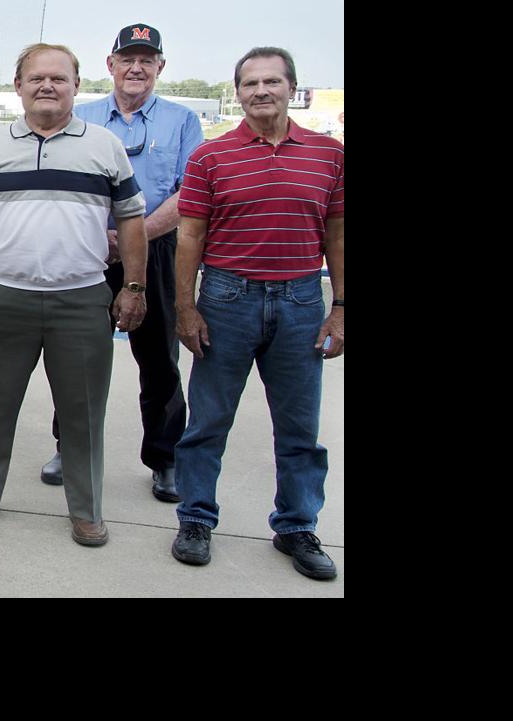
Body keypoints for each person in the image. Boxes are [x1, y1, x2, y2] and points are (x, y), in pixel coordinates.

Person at [0, 43, 147, 546]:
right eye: (36, 78)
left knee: (83, 414)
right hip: (3, 298)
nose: (47, 86)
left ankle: (86, 510)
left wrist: (133, 286)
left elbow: (130, 220)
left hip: (81, 301)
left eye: (59, 78)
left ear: (76, 86)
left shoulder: (104, 146)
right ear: (18, 86)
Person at [169, 47, 344, 580]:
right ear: (238, 92)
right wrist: (185, 307)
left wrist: (339, 306)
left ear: (292, 87)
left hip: (300, 300)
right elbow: (190, 236)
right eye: (250, 83)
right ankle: (196, 519)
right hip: (228, 300)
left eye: (272, 81)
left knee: (299, 428)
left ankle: (297, 526)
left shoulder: (330, 155)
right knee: (208, 421)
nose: (261, 91)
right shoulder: (211, 157)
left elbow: (337, 234)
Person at [41, 23, 203, 502]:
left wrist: (134, 236)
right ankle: (69, 447)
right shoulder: (82, 115)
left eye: (146, 61)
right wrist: (102, 237)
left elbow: (189, 193)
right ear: (110, 65)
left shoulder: (182, 121)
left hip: (156, 251)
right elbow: (59, 177)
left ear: (160, 67)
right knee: (77, 356)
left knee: (159, 360)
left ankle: (165, 458)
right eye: (127, 59)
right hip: (87, 249)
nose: (136, 68)